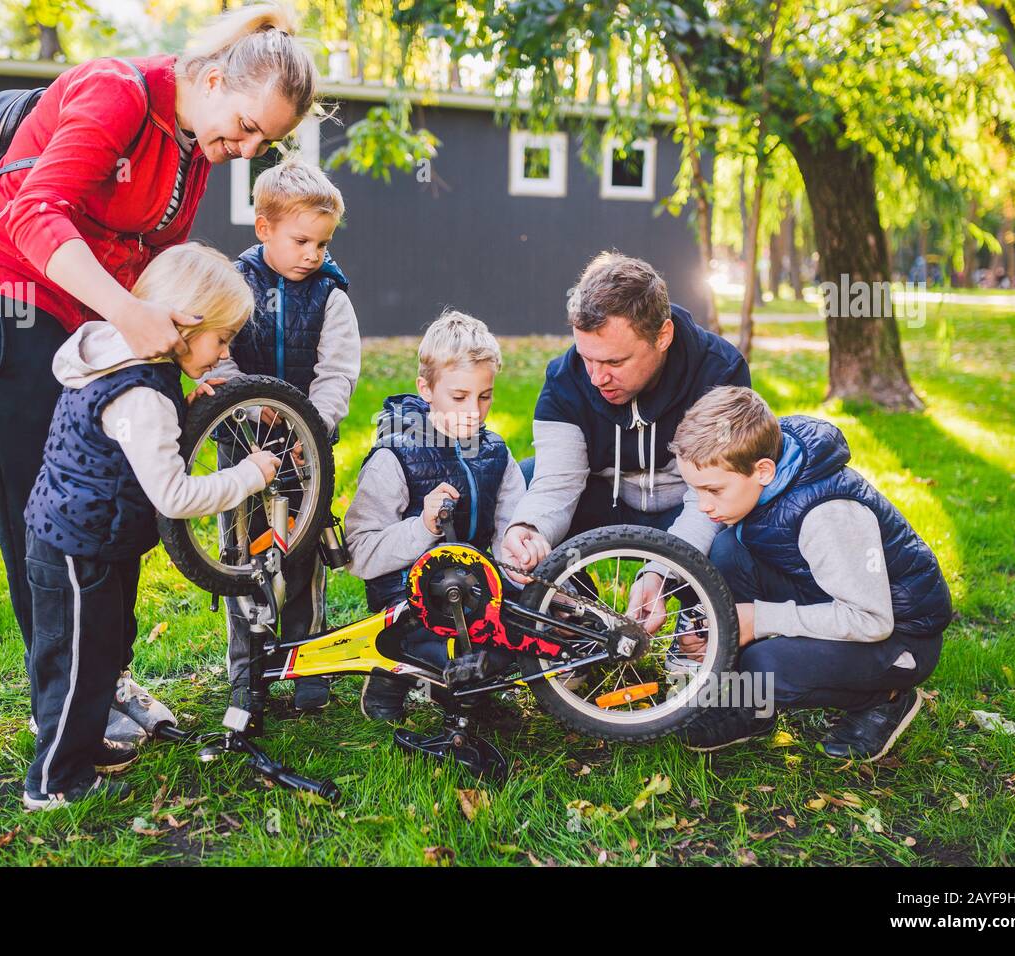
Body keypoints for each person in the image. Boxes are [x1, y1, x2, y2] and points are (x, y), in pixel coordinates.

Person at [0, 2, 318, 742]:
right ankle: (71, 707)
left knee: (121, 488)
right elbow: (34, 214)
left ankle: (107, 676)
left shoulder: (192, 149)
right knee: (45, 513)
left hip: (89, 314)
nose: (243, 148)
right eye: (243, 126)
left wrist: (197, 354)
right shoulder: (117, 92)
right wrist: (127, 317)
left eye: (261, 141)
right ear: (210, 78)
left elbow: (154, 266)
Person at [21, 243, 280, 809]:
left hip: (91, 535)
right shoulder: (142, 393)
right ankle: (52, 781)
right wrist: (248, 475)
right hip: (76, 545)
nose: (224, 352)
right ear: (182, 326)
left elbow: (136, 445)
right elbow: (175, 494)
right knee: (74, 663)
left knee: (101, 652)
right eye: (221, 339)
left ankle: (82, 745)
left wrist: (180, 403)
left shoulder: (129, 361)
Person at [663, 386, 952, 761]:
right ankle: (751, 708)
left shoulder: (827, 515)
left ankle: (885, 700)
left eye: (713, 490)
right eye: (696, 490)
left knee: (764, 664)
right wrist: (716, 629)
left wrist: (759, 619)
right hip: (831, 598)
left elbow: (872, 620)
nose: (704, 506)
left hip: (900, 638)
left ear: (763, 471)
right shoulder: (759, 475)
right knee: (728, 551)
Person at [499, 252, 750, 632]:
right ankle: (573, 624)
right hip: (604, 499)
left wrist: (661, 572)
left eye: (615, 362)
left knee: (739, 537)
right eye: (588, 358)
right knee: (520, 489)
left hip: (690, 502)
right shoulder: (566, 380)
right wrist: (528, 530)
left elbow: (712, 497)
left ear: (662, 336)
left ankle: (697, 632)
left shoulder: (719, 371)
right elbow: (557, 484)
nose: (597, 378)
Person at [211, 158, 360, 715]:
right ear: (264, 228)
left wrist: (310, 428)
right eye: (301, 241)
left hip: (306, 453)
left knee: (303, 555)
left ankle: (307, 664)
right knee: (239, 556)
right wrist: (246, 410)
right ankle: (247, 673)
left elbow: (337, 372)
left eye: (322, 243)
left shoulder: (330, 297)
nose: (313, 254)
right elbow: (216, 359)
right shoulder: (233, 285)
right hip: (241, 447)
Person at [344, 312, 525, 720]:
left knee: (528, 634)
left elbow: (508, 533)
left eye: (485, 396)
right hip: (407, 600)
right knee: (464, 657)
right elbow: (359, 552)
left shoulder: (496, 453)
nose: (475, 412)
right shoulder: (395, 457)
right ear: (426, 388)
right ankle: (393, 670)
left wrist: (521, 564)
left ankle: (459, 681)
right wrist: (422, 527)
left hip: (472, 589)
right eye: (459, 397)